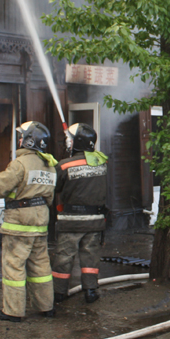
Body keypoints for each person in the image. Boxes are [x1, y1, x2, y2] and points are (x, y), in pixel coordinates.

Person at [0, 121, 58, 322]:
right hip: (41, 220)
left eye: (21, 137)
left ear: (29, 140)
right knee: (40, 265)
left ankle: (13, 311)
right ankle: (46, 306)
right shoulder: (50, 166)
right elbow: (50, 197)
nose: (19, 140)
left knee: (14, 265)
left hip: (19, 221)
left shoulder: (20, 163)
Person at [53, 123, 109, 304]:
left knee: (64, 257)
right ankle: (91, 291)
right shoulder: (102, 163)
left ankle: (59, 293)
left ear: (77, 142)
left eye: (69, 140)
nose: (67, 143)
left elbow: (56, 188)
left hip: (71, 221)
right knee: (90, 257)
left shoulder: (64, 166)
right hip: (95, 221)